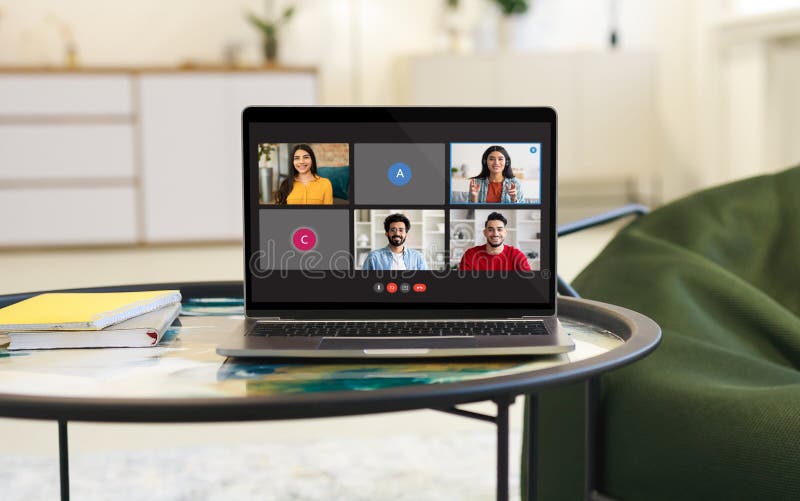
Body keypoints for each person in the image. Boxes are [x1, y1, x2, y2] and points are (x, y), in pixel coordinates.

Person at [458, 212, 531, 271]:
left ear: (505, 233)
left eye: (499, 229)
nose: (495, 234)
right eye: (490, 230)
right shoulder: (470, 255)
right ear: (485, 232)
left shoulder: (516, 255)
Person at [362, 214, 428, 270]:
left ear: (406, 234)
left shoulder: (418, 257)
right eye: (393, 230)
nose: (397, 233)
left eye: (401, 230)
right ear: (386, 233)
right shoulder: (373, 258)